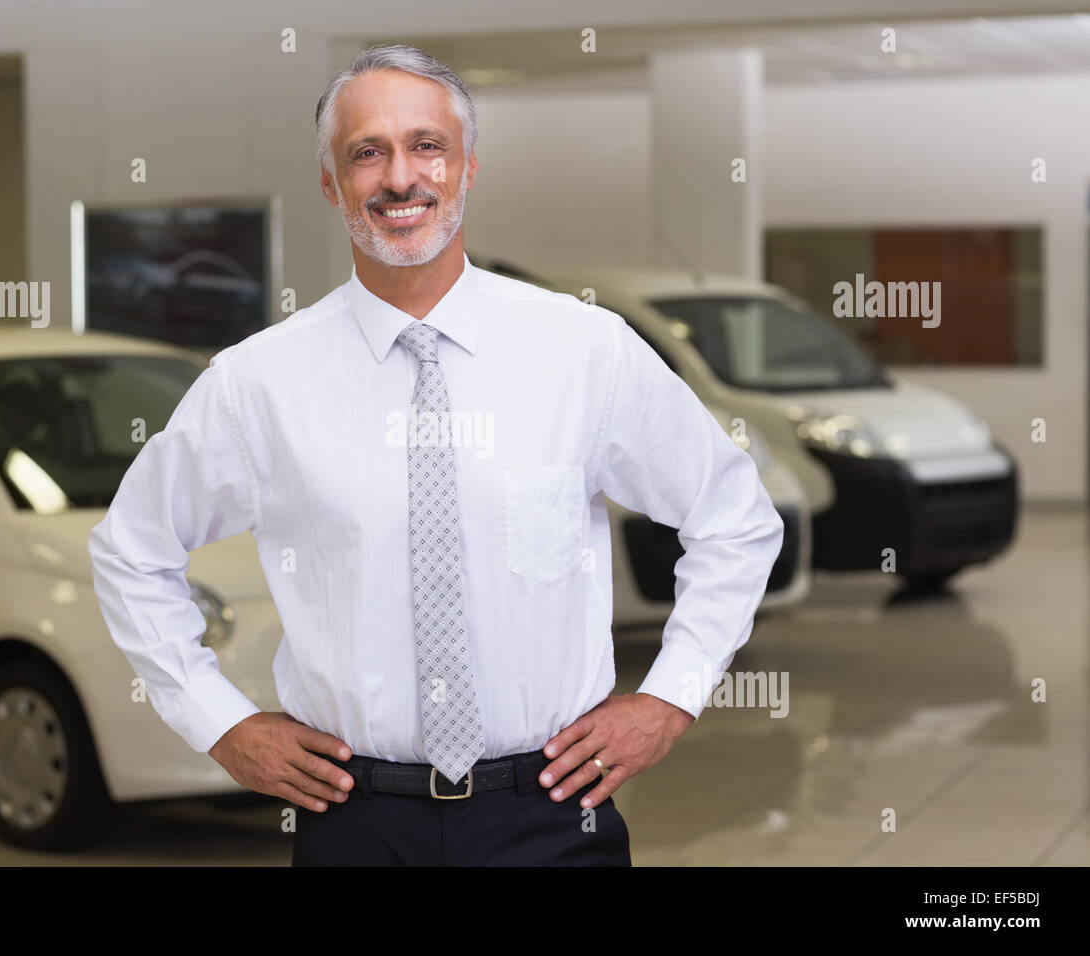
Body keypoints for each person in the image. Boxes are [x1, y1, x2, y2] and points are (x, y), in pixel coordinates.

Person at [88, 43, 784, 866]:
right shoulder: (258, 383)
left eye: (427, 146)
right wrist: (220, 722)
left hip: (554, 818)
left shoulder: (583, 350)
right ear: (331, 184)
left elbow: (733, 518)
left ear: (467, 167)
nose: (399, 177)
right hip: (355, 823)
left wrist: (670, 698)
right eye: (365, 152)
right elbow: (130, 551)